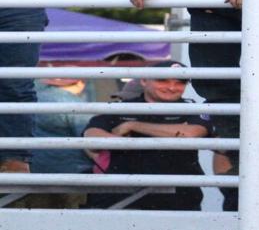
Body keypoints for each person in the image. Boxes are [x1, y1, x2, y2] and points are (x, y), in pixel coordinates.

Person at [131, 0, 243, 210]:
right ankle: (241, 158)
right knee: (214, 82)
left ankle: (255, 159)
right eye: (163, 80)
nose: (172, 86)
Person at [82, 61, 214, 210]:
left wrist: (132, 126)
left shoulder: (193, 110)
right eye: (162, 80)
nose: (171, 87)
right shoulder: (121, 108)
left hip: (179, 200)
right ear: (144, 81)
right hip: (121, 200)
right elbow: (92, 138)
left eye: (180, 83)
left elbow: (191, 134)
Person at [0, 0, 56, 175]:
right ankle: (15, 157)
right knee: (16, 82)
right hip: (21, 0)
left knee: (15, 82)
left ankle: (15, 158)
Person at [12, 76, 91, 208]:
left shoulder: (28, 99)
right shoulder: (72, 103)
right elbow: (89, 137)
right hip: (71, 174)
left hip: (32, 173)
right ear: (80, 84)